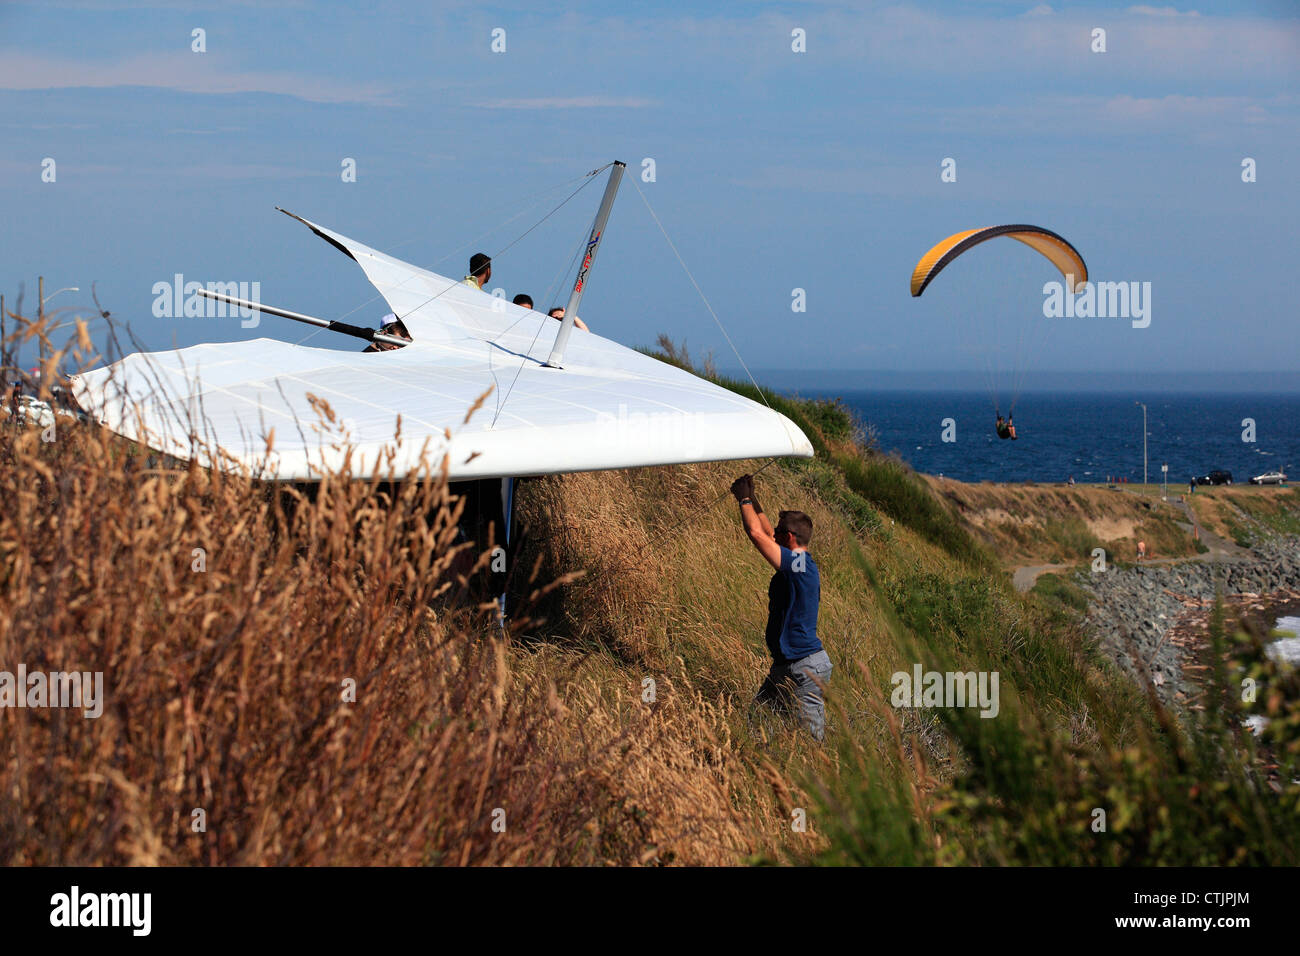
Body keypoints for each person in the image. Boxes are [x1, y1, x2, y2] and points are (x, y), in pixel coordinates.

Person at [731, 473, 830, 741]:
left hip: (805, 669)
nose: (772, 533)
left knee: (810, 742)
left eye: (778, 531)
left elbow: (756, 534)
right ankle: (763, 770)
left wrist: (744, 499)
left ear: (788, 536)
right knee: (758, 723)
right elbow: (765, 531)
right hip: (787, 666)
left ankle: (821, 779)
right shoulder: (797, 561)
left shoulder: (800, 567)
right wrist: (753, 497)